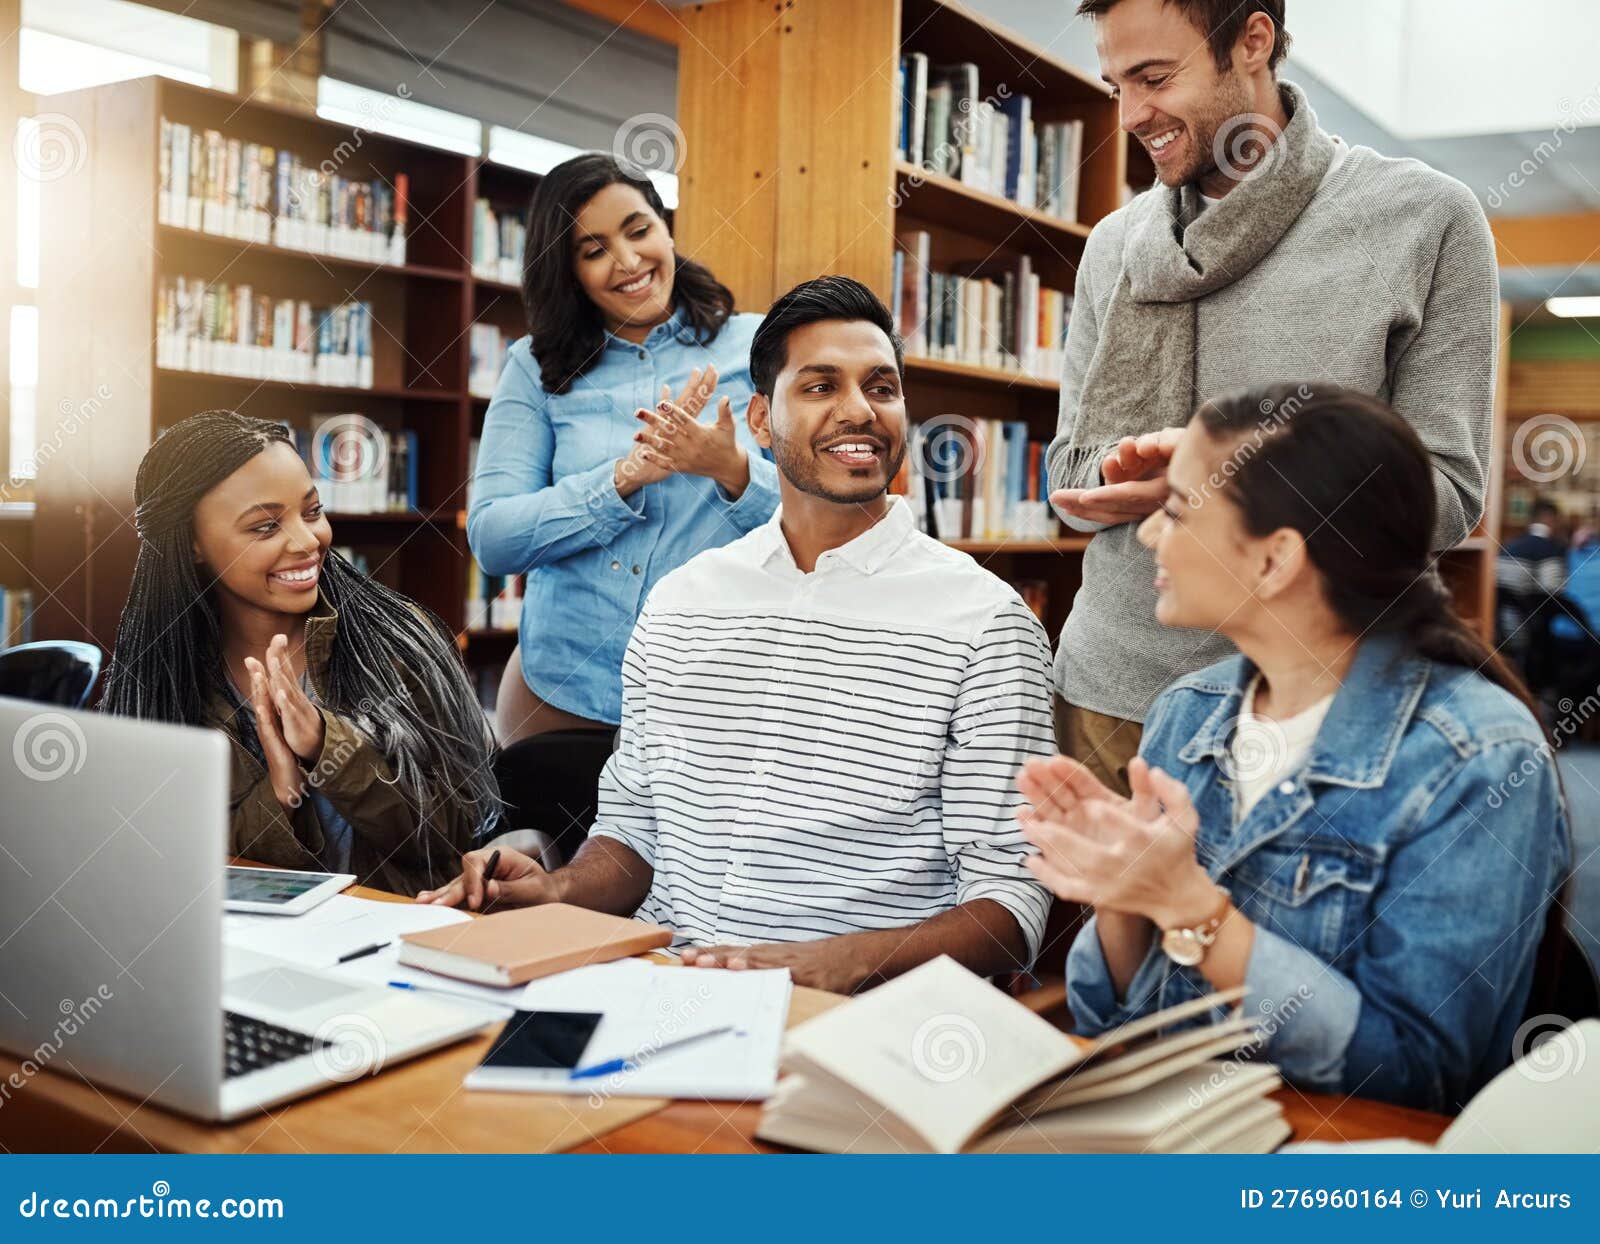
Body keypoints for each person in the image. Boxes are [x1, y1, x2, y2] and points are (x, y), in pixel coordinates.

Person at [424, 277, 1055, 992]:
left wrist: (844, 961)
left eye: (881, 388)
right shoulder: (683, 601)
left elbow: (1012, 903)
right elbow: (634, 834)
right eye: (820, 386)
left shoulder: (986, 623)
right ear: (760, 420)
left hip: (851, 1017)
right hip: (661, 985)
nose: (859, 411)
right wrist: (556, 892)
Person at [1019, 384, 1569, 1113]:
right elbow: (1111, 1023)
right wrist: (1124, 894)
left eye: (1179, 510)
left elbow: (1419, 1077)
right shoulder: (1186, 713)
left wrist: (1189, 906)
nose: (1150, 534)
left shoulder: (1478, 758)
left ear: (1275, 562)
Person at [1047, 0, 1498, 795]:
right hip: (1111, 694)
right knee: (1113, 925)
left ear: (1253, 41)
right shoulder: (1114, 246)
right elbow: (1068, 488)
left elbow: (1446, 496)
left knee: (1287, 924)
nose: (1130, 115)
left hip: (1312, 695)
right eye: (1114, 83)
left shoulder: (1424, 219)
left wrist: (1219, 489)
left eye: (1154, 78)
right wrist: (1128, 490)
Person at [469, 152, 780, 861]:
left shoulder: (758, 347)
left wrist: (730, 468)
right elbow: (494, 538)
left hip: (715, 703)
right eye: (593, 249)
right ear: (567, 269)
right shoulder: (536, 366)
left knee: (686, 913)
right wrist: (622, 479)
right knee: (556, 910)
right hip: (564, 697)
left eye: (638, 229)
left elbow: (821, 524)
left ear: (666, 226)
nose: (627, 260)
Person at [101, 410, 501, 896]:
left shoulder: (398, 641)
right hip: (255, 950)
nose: (308, 541)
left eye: (312, 511)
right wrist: (280, 794)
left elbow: (453, 832)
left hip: (395, 937)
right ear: (191, 545)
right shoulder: (165, 678)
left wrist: (327, 748)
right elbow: (160, 854)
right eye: (266, 527)